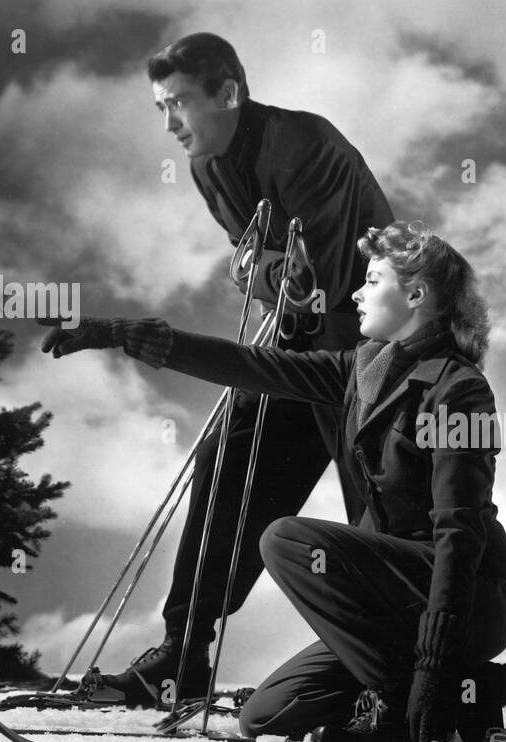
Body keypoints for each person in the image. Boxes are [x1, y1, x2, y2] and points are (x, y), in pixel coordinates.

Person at [40, 223, 506, 742]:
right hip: (398, 599)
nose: (356, 294)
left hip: (467, 596)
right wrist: (123, 334)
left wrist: (433, 661)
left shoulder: (461, 390)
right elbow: (253, 365)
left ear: (415, 295)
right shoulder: (361, 370)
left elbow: (460, 530)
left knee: (286, 539)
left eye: (372, 280)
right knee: (266, 716)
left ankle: (422, 694)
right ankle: (468, 689)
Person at [94, 33, 393, 705]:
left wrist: (276, 276)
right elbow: (251, 260)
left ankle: (396, 671)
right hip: (296, 342)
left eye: (178, 104)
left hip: (367, 348)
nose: (169, 124)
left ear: (228, 93)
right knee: (227, 452)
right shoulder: (208, 168)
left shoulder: (306, 145)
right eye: (159, 108)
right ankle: (184, 651)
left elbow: (335, 278)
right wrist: (259, 271)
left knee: (373, 498)